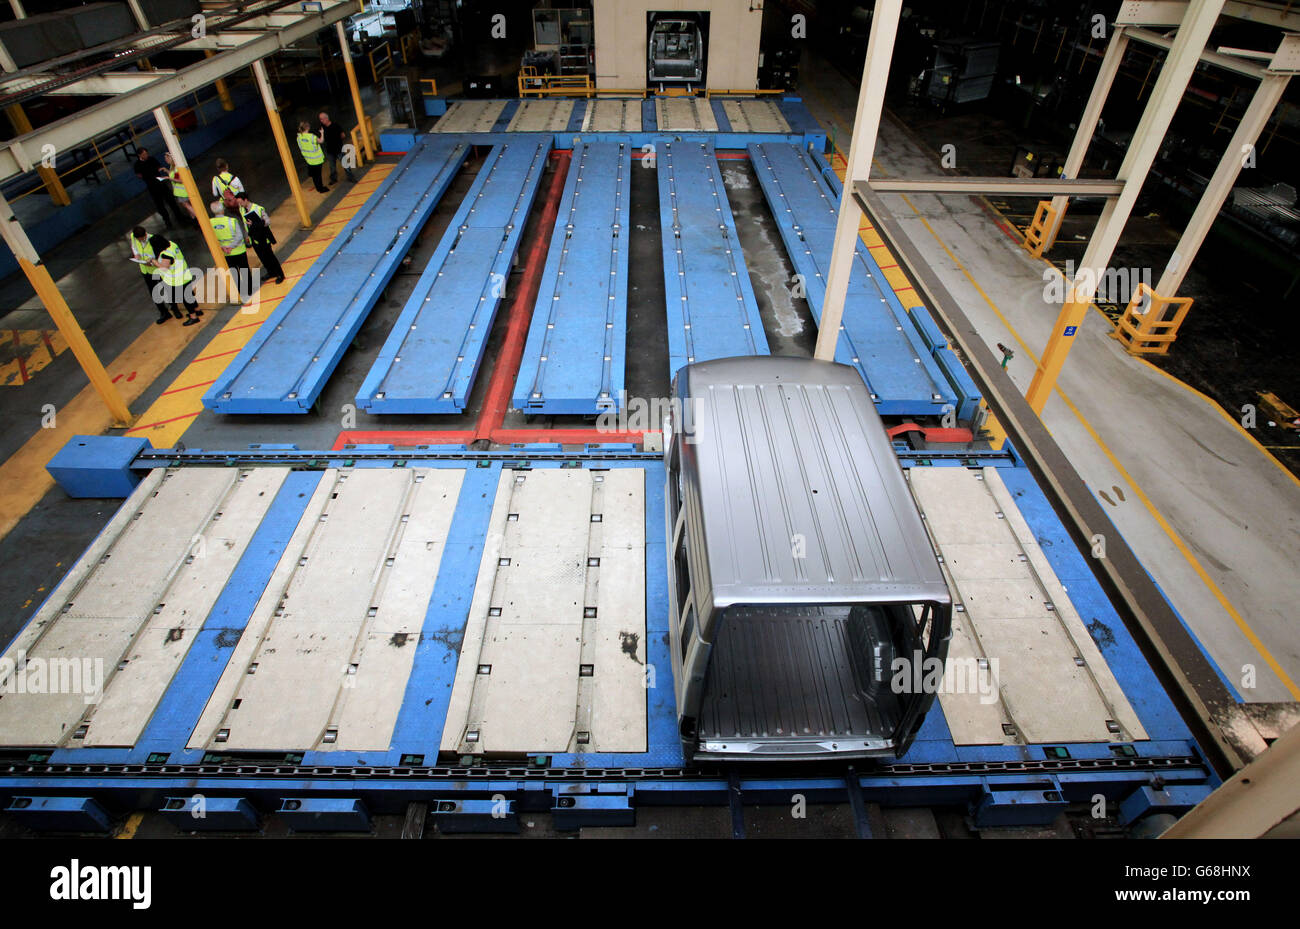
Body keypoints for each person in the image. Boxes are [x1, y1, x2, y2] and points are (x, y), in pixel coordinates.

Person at [151, 235, 202, 326]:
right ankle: (197, 310)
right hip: (185, 274)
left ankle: (193, 317)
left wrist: (154, 261)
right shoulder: (172, 244)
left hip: (178, 279)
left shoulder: (166, 254)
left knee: (186, 299)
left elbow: (164, 268)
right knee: (189, 295)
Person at [234, 192, 284, 284]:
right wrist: (247, 235)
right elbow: (245, 224)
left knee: (270, 257)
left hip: (263, 238)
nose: (239, 205)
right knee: (262, 257)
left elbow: (267, 222)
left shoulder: (258, 209)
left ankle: (280, 274)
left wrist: (254, 224)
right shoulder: (242, 209)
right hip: (253, 238)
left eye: (240, 202)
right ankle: (271, 272)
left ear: (246, 200)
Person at [133, 148, 183, 228]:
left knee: (171, 200)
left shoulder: (152, 159)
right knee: (160, 205)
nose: (146, 155)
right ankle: (167, 221)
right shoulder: (137, 165)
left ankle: (179, 217)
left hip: (161, 183)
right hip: (152, 187)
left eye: (146, 153)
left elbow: (158, 167)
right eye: (144, 154)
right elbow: (138, 175)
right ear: (140, 155)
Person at [129, 226, 169, 323]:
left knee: (168, 287)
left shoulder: (153, 240)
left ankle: (175, 307)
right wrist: (136, 254)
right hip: (145, 270)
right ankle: (164, 312)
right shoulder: (133, 237)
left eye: (142, 238)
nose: (140, 240)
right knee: (154, 292)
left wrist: (151, 263)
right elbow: (133, 246)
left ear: (145, 235)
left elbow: (160, 255)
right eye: (138, 239)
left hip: (156, 269)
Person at [209, 200, 250, 298]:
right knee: (244, 270)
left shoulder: (209, 223)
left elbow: (210, 238)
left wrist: (222, 247)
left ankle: (240, 291)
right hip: (238, 250)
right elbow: (239, 236)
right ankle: (249, 289)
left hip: (224, 253)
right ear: (223, 209)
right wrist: (230, 246)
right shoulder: (231, 221)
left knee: (233, 273)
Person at [318, 111, 355, 184]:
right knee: (332, 167)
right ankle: (333, 179)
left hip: (339, 149)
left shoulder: (335, 125)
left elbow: (343, 135)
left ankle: (351, 177)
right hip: (330, 150)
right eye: (320, 119)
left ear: (326, 118)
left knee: (345, 164)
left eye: (322, 119)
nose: (321, 121)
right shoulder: (322, 128)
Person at [163, 152, 196, 222]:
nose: (165, 160)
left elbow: (180, 180)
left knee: (186, 205)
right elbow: (174, 175)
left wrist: (168, 178)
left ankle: (198, 218)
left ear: (170, 158)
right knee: (188, 206)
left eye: (166, 158)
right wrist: (167, 171)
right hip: (179, 191)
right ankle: (194, 219)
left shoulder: (176, 168)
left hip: (182, 191)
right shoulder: (172, 167)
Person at [297, 121, 328, 193]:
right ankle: (320, 189)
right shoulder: (312, 137)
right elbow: (321, 141)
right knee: (318, 176)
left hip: (308, 159)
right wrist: (322, 133)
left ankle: (317, 186)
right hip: (316, 159)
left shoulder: (299, 137)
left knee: (314, 175)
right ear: (308, 128)